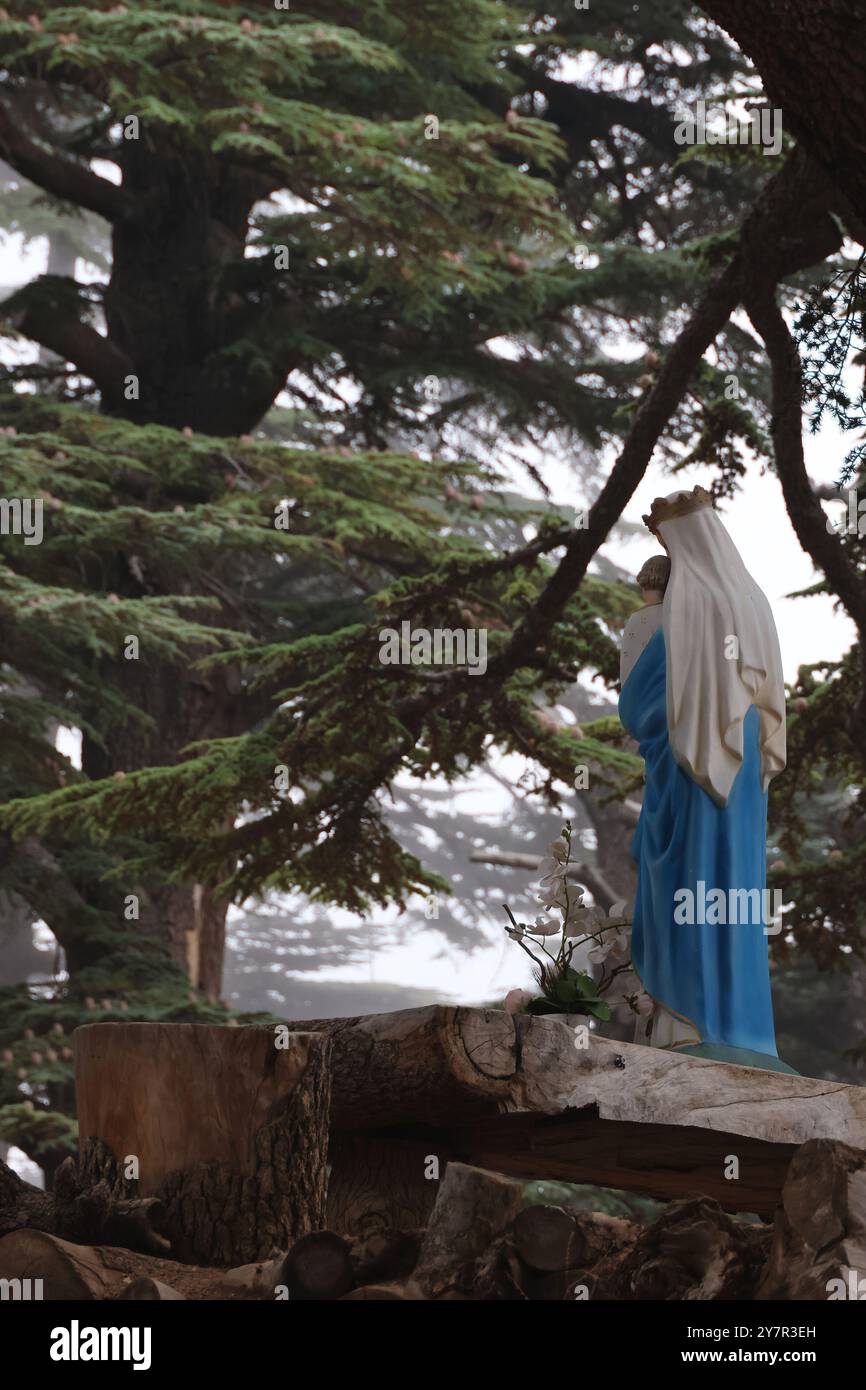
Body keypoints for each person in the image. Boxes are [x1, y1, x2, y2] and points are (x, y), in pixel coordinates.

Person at [618, 486, 796, 1072]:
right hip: (741, 779)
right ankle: (744, 1031)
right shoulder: (751, 604)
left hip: (690, 778)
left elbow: (641, 712)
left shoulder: (680, 611)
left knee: (686, 887)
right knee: (733, 892)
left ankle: (684, 1024)